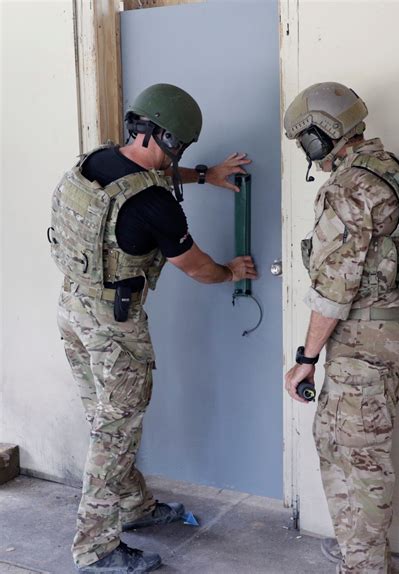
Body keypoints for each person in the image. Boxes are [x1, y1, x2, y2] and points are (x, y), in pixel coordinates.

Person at [51, 83, 257, 573]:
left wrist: (204, 176)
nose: (177, 157)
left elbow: (146, 178)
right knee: (115, 432)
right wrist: (231, 272)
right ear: (165, 138)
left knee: (108, 423)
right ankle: (96, 549)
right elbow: (195, 266)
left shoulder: (97, 160)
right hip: (113, 327)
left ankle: (134, 507)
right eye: (179, 148)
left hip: (72, 308)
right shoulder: (154, 205)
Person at [283, 82, 399, 573]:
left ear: (320, 137)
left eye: (305, 141)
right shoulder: (397, 171)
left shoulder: (349, 187)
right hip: (398, 329)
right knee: (350, 446)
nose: (306, 152)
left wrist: (306, 359)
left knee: (357, 459)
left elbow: (335, 289)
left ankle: (363, 565)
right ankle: (359, 549)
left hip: (362, 341)